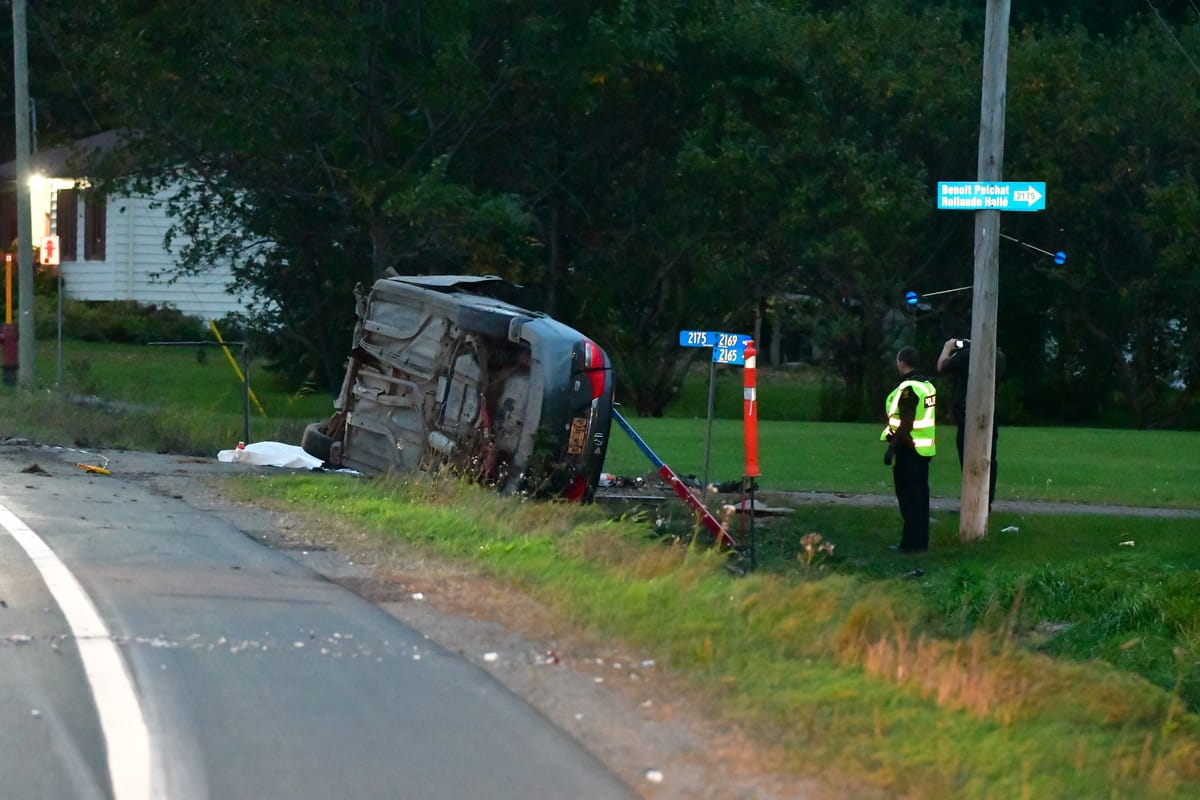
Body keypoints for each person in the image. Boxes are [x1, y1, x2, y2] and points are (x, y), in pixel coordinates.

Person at [937, 337, 1006, 508]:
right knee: (990, 455)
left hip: (967, 412)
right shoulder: (999, 356)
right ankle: (986, 501)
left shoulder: (966, 356)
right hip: (990, 411)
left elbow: (941, 367)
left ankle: (972, 502)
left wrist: (948, 348)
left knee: (967, 455)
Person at [881, 346, 937, 553]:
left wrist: (892, 449)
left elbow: (907, 420)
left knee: (909, 498)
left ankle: (910, 544)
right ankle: (920, 541)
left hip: (908, 449)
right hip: (923, 450)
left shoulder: (909, 389)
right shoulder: (927, 386)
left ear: (901, 362)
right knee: (920, 497)